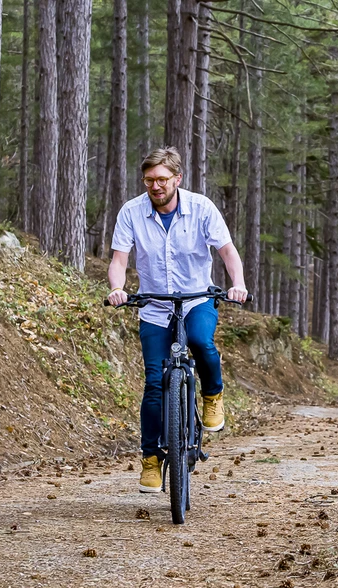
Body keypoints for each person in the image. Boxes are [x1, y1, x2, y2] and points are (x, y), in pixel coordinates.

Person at [107, 147, 249, 493]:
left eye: (161, 179)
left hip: (196, 299)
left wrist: (238, 284)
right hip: (155, 306)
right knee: (155, 383)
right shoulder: (131, 212)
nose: (155, 186)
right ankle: (151, 459)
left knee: (201, 342)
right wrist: (117, 288)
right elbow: (119, 259)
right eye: (149, 181)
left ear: (177, 179)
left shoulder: (202, 208)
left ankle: (212, 395)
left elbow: (227, 252)